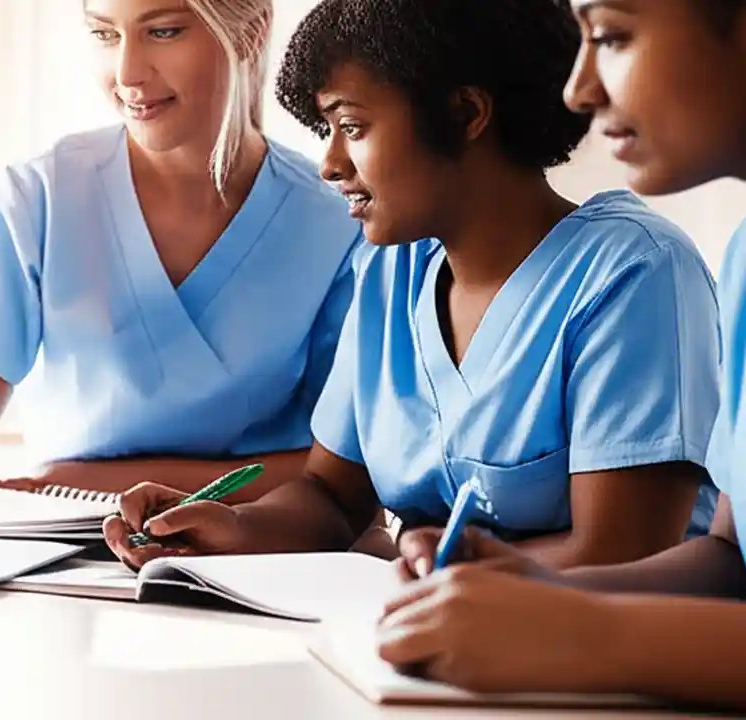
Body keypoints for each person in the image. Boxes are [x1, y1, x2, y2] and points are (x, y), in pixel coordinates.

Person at [105, 0, 720, 570]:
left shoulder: (632, 273)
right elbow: (331, 495)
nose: (331, 165)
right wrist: (234, 526)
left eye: (353, 126)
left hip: (587, 644)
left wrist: (440, 579)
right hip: (432, 627)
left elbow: (620, 553)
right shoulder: (389, 274)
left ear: (466, 114)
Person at [0, 0, 362, 502]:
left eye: (163, 31)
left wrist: (71, 480)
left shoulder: (338, 221)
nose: (127, 73)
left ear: (251, 33)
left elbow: (340, 473)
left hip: (263, 559)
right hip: (72, 562)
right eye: (105, 35)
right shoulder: (40, 197)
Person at [379, 0, 746, 709]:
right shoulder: (744, 260)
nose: (579, 90)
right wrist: (533, 588)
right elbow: (730, 561)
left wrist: (594, 635)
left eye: (611, 35)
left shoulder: (637, 262)